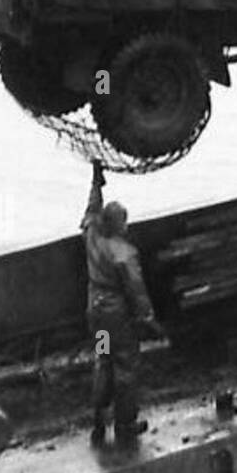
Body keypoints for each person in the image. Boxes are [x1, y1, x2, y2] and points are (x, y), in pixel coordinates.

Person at [82, 160, 163, 447]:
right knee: (125, 364)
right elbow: (136, 290)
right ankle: (125, 424)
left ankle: (98, 417)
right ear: (120, 225)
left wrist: (96, 183)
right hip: (116, 314)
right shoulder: (124, 252)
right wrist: (149, 318)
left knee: (102, 359)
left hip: (95, 309)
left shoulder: (92, 233)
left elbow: (91, 209)